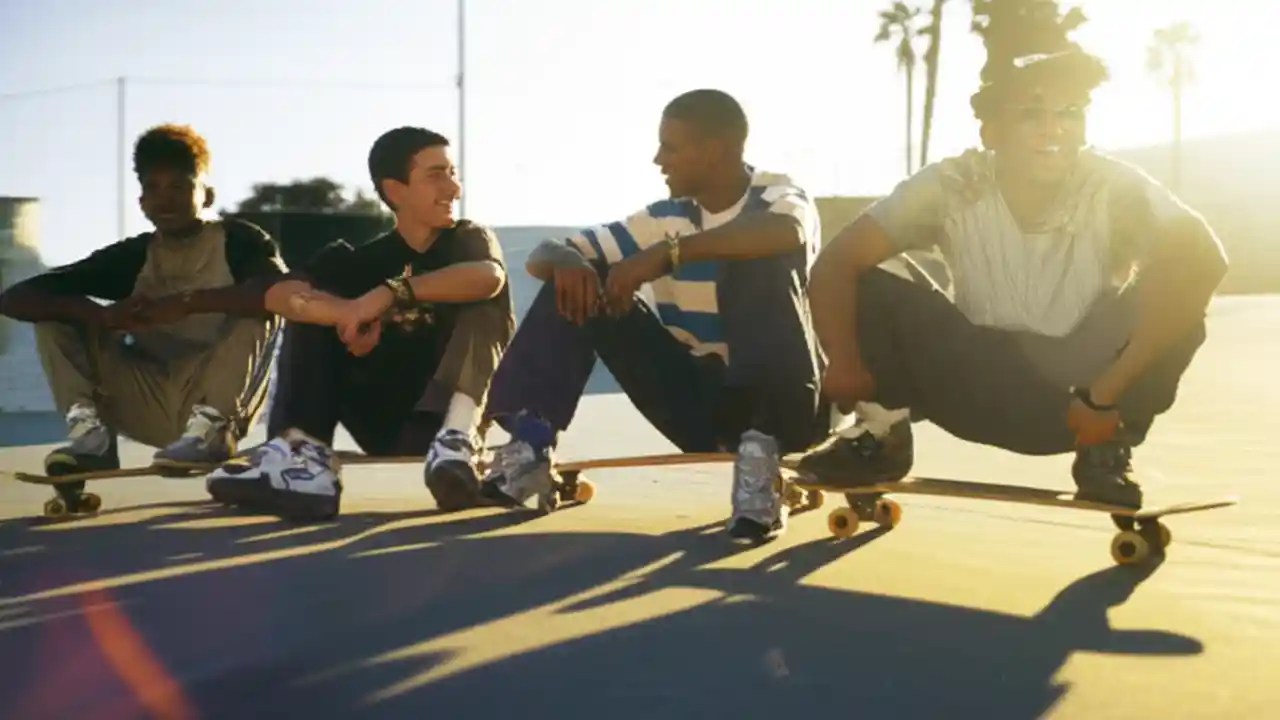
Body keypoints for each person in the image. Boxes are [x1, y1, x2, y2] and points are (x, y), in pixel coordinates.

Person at [795, 47, 1228, 508]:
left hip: (1082, 400)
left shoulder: (1113, 184)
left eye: (1070, 113)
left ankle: (1105, 453)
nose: (1054, 128)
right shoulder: (951, 184)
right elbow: (836, 263)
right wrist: (843, 362)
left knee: (1183, 292)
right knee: (869, 272)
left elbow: (1206, 258)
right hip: (972, 382)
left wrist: (1103, 397)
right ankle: (881, 435)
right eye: (1031, 114)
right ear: (992, 130)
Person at [479, 89, 825, 542]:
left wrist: (669, 254)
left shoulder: (776, 195)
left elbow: (786, 232)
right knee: (583, 271)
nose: (658, 159)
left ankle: (762, 467)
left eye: (672, 146)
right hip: (699, 406)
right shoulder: (665, 217)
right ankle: (531, 441)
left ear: (717, 149)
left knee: (756, 263)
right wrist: (569, 264)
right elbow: (546, 255)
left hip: (787, 407)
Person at [204, 126, 513, 519]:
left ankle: (458, 438)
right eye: (437, 175)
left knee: (485, 293)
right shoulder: (352, 260)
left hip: (443, 415)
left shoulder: (467, 239)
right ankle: (304, 459)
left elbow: (489, 277)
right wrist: (345, 313)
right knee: (312, 303)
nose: (454, 188)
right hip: (382, 417)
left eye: (454, 174)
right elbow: (280, 296)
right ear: (395, 190)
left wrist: (388, 294)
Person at [0, 124, 285, 491]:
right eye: (153, 188)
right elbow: (16, 298)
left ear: (207, 195)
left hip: (216, 394)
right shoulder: (134, 256)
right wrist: (101, 315)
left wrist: (186, 304)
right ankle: (93, 441)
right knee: (55, 316)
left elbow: (279, 291)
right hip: (144, 396)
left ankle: (212, 431)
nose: (165, 199)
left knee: (263, 307)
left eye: (179, 187)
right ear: (141, 202)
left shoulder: (238, 241)